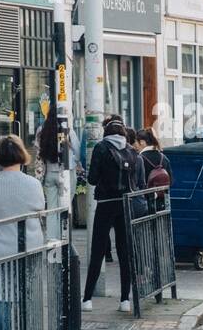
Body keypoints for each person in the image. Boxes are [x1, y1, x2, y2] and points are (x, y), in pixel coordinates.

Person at [0, 135, 46, 330]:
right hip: (30, 246)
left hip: (0, 249)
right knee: (27, 296)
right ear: (21, 155)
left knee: (2, 297)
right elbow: (40, 208)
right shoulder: (33, 184)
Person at [82, 116, 144, 313]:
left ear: (106, 133)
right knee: (125, 252)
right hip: (125, 204)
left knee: (98, 251)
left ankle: (87, 299)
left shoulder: (101, 148)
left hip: (105, 204)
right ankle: (125, 300)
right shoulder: (131, 151)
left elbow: (92, 180)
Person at [36, 111, 80, 240]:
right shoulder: (68, 130)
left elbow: (38, 151)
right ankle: (64, 240)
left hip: (49, 172)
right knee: (65, 208)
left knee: (51, 208)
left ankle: (51, 239)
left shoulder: (42, 129)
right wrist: (75, 161)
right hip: (66, 173)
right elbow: (77, 151)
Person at [134, 127, 172, 210]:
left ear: (142, 142)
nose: (135, 145)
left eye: (136, 142)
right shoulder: (164, 158)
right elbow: (170, 181)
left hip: (145, 204)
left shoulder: (139, 159)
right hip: (162, 205)